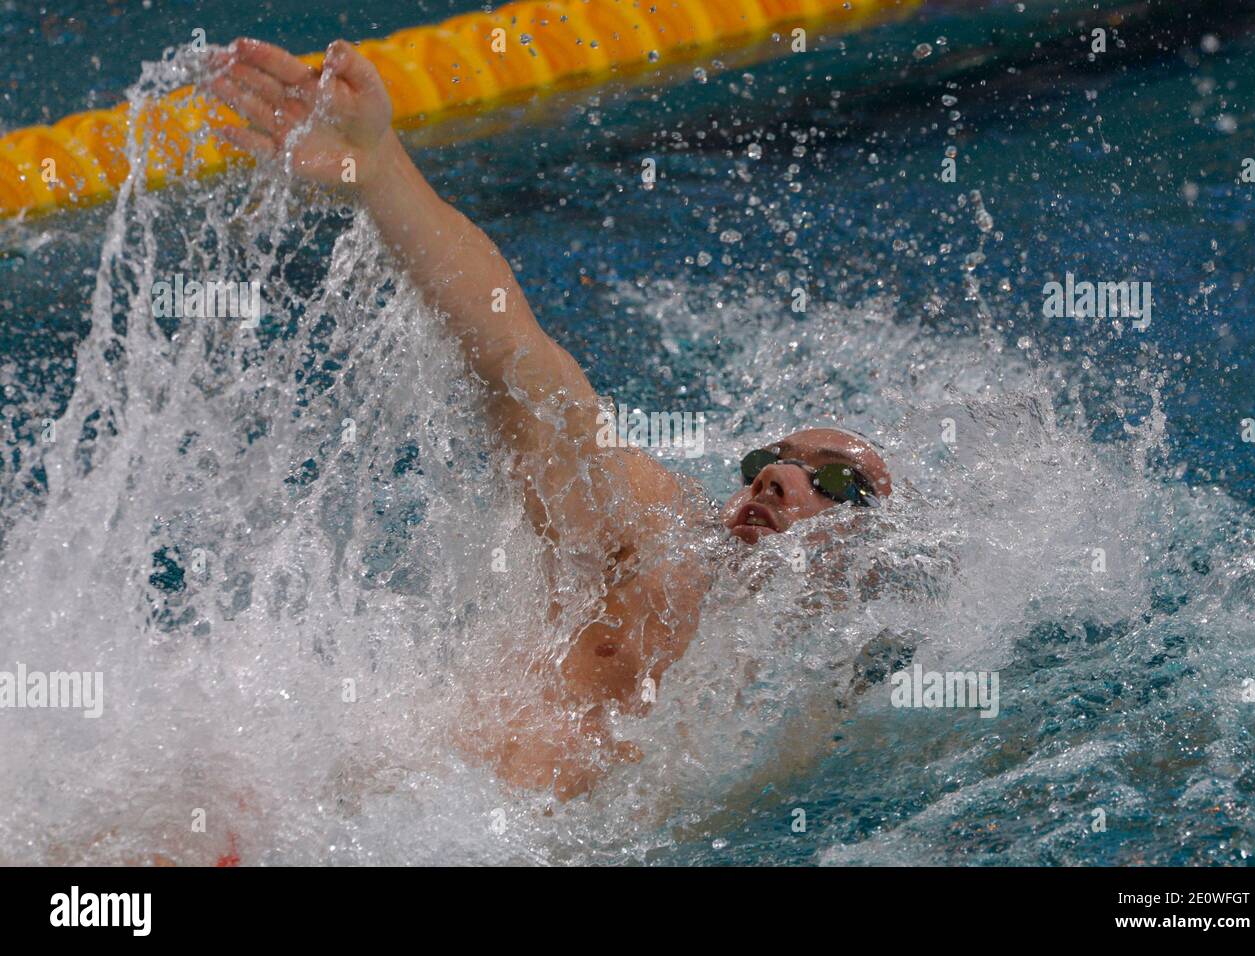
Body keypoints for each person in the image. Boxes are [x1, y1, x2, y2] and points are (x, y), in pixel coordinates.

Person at [207, 38, 893, 799]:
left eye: (831, 479)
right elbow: (517, 358)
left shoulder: (839, 690)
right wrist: (382, 172)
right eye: (771, 456)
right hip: (388, 815)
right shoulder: (655, 539)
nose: (776, 474)